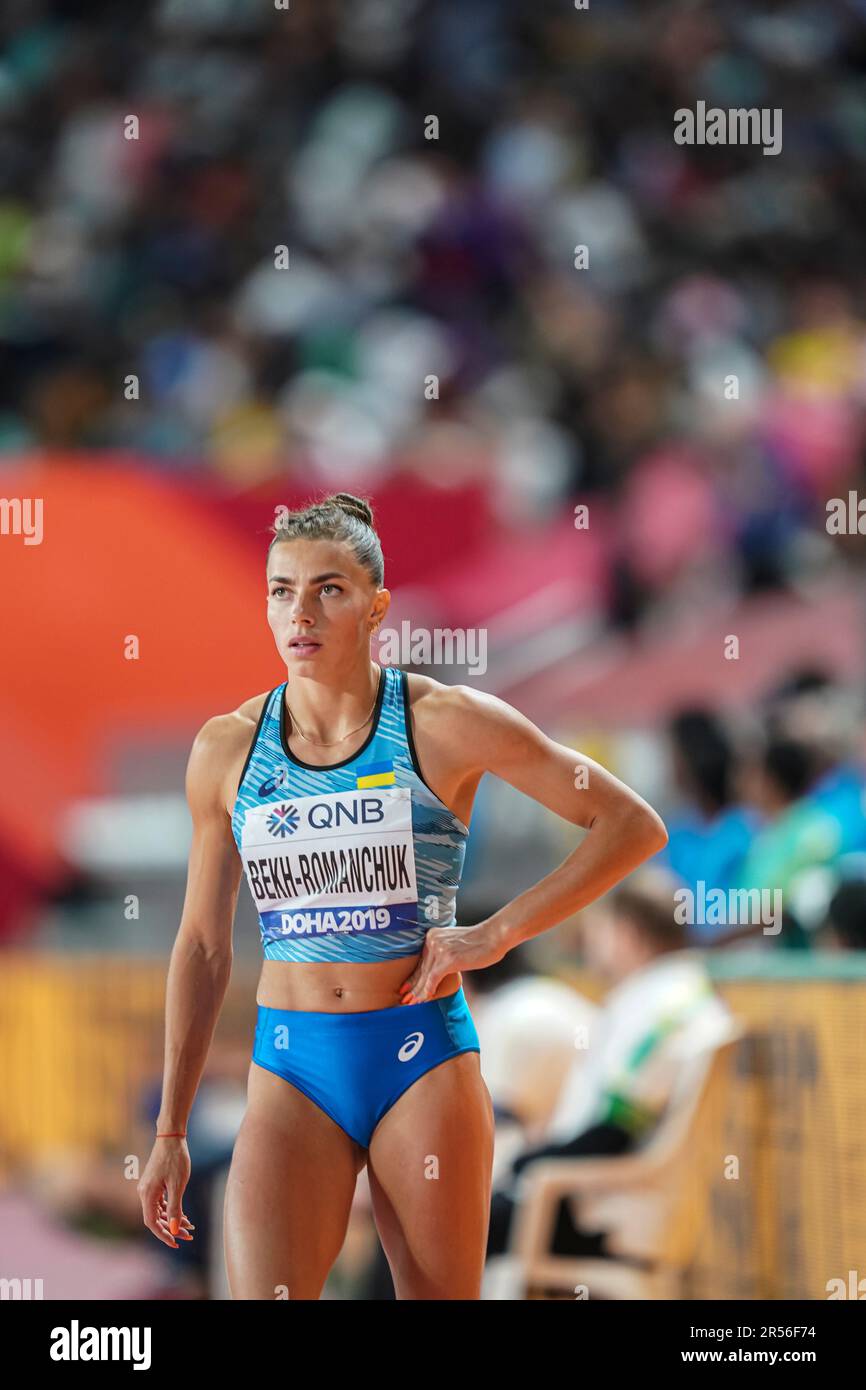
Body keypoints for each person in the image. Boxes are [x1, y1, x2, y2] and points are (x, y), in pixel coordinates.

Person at [136, 492, 668, 1300]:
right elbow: (204, 946)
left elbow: (631, 825)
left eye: (329, 589)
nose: (300, 611)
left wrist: (494, 935)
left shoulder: (445, 722)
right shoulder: (226, 751)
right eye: (281, 590)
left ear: (377, 606)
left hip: (419, 1058)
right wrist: (171, 1128)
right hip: (292, 1067)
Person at [486, 868, 734, 1261]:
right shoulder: (673, 992)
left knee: (434, 1225)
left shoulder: (661, 1005)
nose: (591, 946)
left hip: (598, 1210)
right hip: (606, 1197)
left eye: (598, 931)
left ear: (626, 932)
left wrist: (527, 1164)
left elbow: (615, 1131)